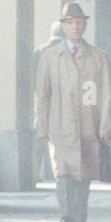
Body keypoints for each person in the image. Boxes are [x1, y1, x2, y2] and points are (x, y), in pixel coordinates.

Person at [35, 2, 111, 222]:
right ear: (63, 27)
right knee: (63, 171)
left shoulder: (99, 57)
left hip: (88, 121)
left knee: (85, 170)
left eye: (79, 23)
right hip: (59, 123)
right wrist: (42, 126)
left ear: (85, 25)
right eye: (70, 23)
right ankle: (66, 216)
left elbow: (106, 92)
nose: (75, 27)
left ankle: (80, 216)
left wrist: (105, 124)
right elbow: (43, 94)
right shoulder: (50, 57)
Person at [34, 21, 65, 185]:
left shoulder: (39, 51)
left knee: (40, 136)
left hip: (42, 101)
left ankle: (37, 172)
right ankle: (59, 172)